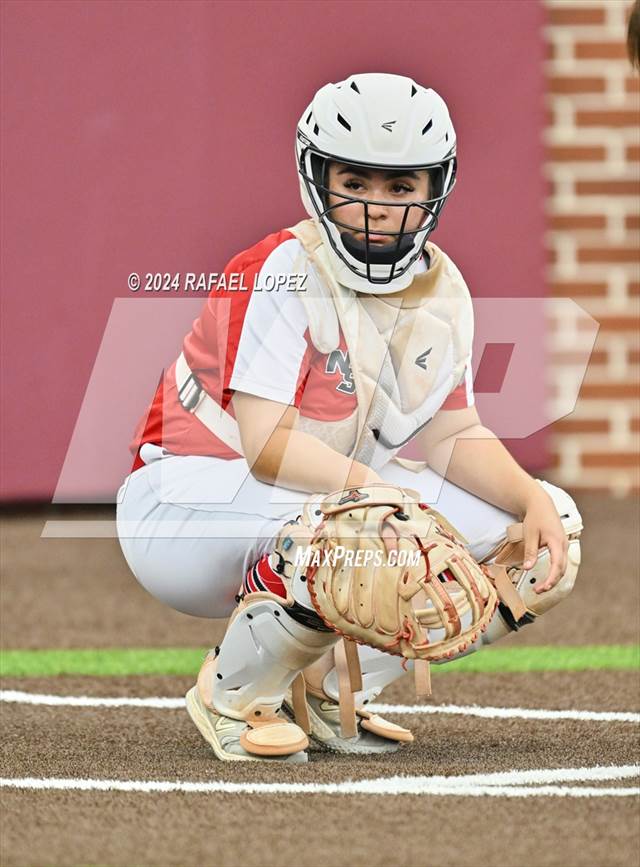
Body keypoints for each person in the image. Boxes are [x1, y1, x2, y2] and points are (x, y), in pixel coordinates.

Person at [116, 72, 582, 763]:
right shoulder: (282, 269)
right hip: (184, 503)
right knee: (365, 521)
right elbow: (268, 446)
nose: (375, 205)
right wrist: (380, 495)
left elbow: (453, 435)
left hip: (309, 498)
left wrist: (529, 499)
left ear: (434, 189)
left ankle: (332, 692)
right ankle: (234, 693)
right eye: (356, 180)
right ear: (318, 177)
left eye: (400, 187)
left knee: (550, 533)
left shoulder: (442, 289)